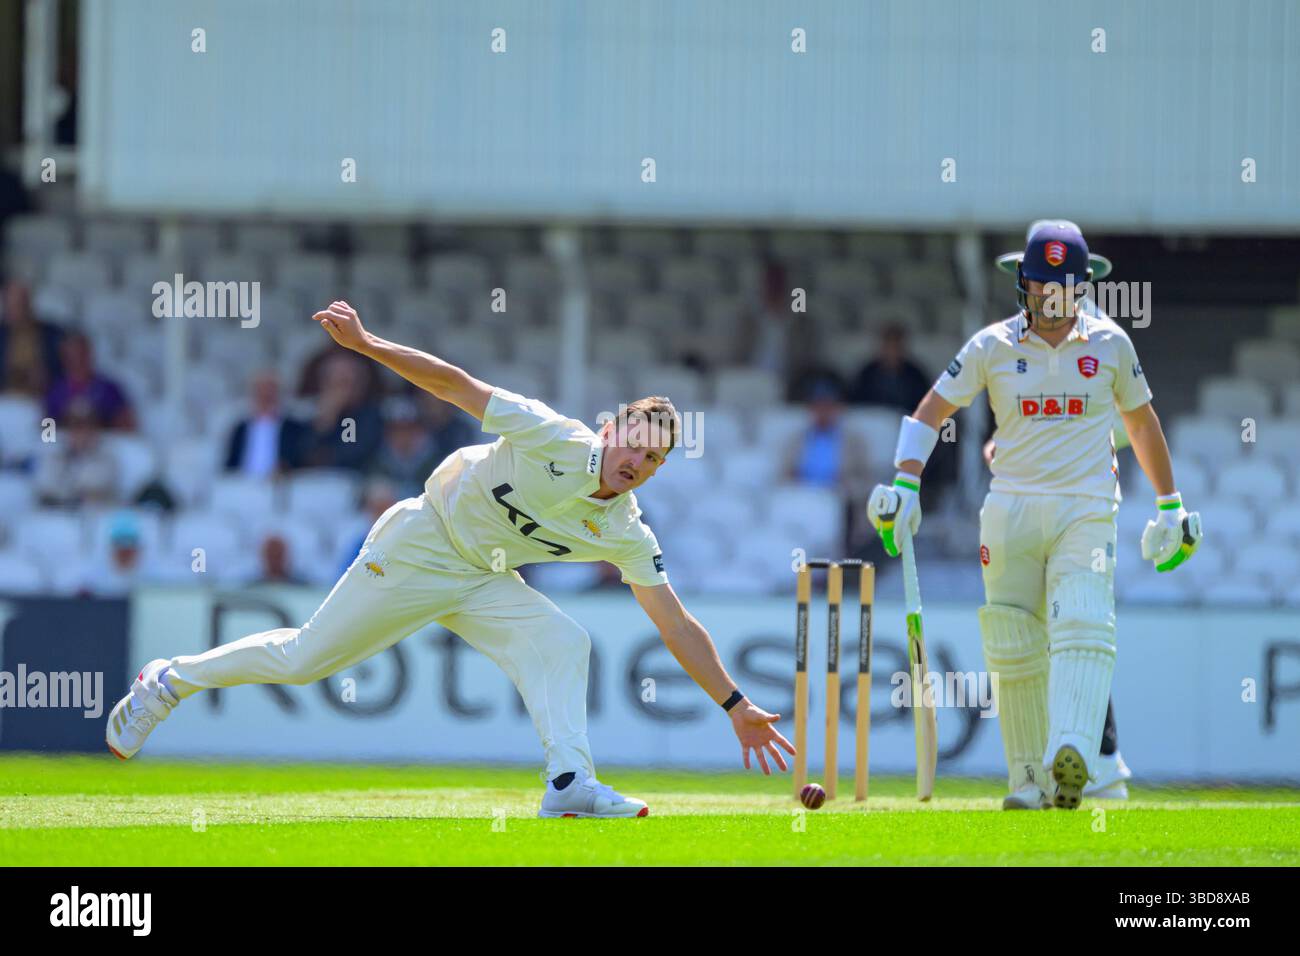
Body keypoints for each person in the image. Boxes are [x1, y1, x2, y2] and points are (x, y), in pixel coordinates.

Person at [107, 300, 795, 818]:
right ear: (610, 429)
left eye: (653, 460)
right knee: (306, 660)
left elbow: (673, 623)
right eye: (633, 446)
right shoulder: (553, 435)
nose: (636, 465)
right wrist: (369, 344)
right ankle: (170, 679)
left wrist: (734, 703)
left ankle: (567, 784)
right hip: (423, 541)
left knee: (563, 640)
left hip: (484, 576)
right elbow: (454, 384)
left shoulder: (626, 529)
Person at [867, 221, 1201, 810]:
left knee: (1082, 621)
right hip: (1010, 509)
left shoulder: (1111, 343)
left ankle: (1073, 753)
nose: (1050, 299)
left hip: (1086, 506)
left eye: (1062, 287)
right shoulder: (992, 345)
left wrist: (1171, 503)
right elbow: (930, 412)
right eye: (1041, 286)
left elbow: (1141, 424)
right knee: (1012, 640)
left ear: (1082, 286)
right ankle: (1027, 780)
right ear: (1022, 282)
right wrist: (904, 483)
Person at [223, 370, 309, 477]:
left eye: (271, 389)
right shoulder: (240, 429)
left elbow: (302, 462)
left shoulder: (294, 428)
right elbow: (230, 465)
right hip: (243, 488)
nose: (266, 394)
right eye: (260, 390)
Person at [45, 331, 135, 430]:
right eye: (71, 356)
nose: (77, 360)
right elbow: (47, 433)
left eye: (81, 354)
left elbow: (128, 426)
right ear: (63, 358)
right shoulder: (55, 392)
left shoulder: (109, 389)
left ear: (90, 354)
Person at [0, 279, 63, 399]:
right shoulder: (1, 335)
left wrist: (47, 375)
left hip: (43, 398)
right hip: (5, 399)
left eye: (18, 304)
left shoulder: (51, 334)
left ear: (28, 303)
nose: (12, 311)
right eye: (9, 305)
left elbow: (64, 372)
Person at [848, 324, 931, 412]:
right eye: (888, 345)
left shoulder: (915, 374)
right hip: (873, 419)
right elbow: (855, 402)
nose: (891, 351)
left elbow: (925, 404)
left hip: (904, 418)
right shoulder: (868, 372)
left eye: (895, 346)